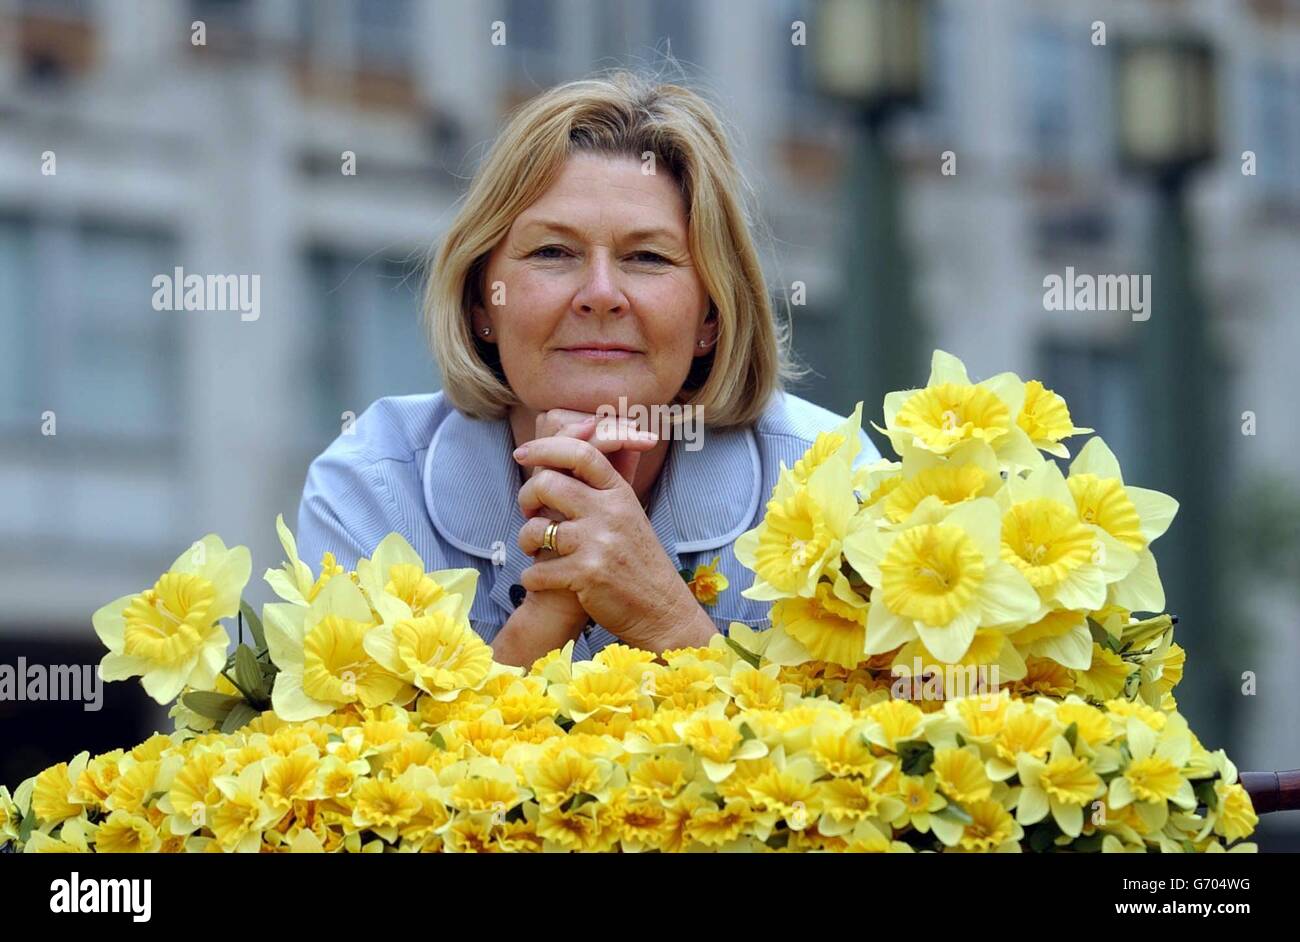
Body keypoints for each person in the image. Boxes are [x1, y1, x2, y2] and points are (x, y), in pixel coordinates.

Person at [296, 70, 879, 667]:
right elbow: (366, 759)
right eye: (553, 252)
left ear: (712, 315)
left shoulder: (837, 482)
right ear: (479, 304)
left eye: (647, 257)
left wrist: (661, 612)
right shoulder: (374, 489)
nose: (601, 294)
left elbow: (877, 752)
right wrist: (549, 611)